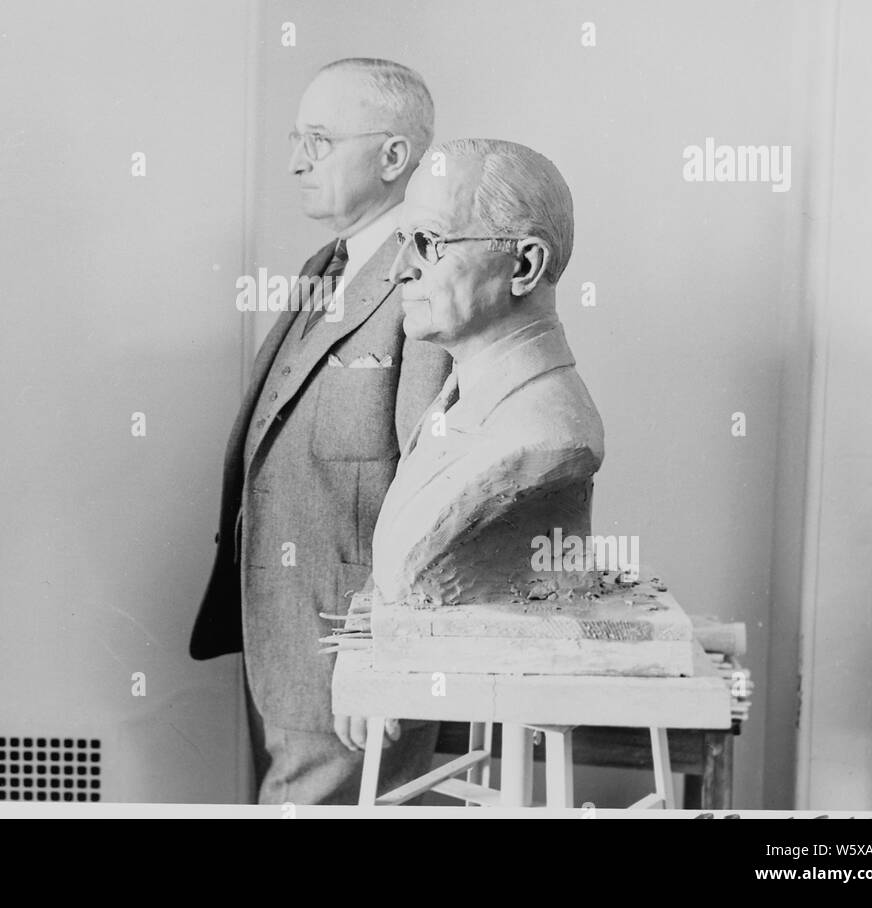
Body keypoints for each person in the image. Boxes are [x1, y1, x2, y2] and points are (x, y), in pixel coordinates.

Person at [190, 58, 451, 804]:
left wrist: (382, 654)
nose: (298, 159)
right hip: (282, 635)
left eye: (321, 139)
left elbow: (428, 490)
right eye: (296, 137)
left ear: (394, 156)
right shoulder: (327, 265)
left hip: (349, 645)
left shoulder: (426, 283)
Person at [371, 138, 604, 608]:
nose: (398, 271)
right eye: (402, 241)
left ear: (524, 265)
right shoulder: (457, 399)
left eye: (427, 242)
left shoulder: (549, 433)